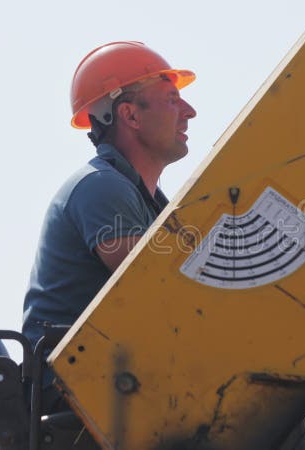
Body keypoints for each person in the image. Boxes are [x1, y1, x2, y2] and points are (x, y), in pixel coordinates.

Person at [22, 41, 196, 406]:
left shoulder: (146, 201)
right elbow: (166, 293)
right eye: (171, 99)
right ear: (131, 116)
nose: (189, 112)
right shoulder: (101, 188)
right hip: (78, 394)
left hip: (111, 383)